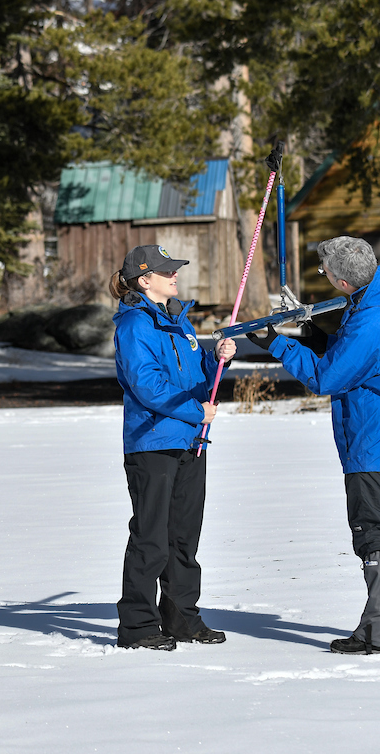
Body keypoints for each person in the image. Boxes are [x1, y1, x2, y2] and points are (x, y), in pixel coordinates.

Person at [247, 236, 380, 655]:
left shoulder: (372, 318)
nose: (323, 278)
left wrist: (277, 344)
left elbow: (328, 377)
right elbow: (355, 354)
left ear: (342, 281)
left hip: (379, 439)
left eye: (325, 274)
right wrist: (309, 331)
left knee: (376, 532)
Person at [111, 244, 237, 650]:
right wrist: (194, 410)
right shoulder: (134, 325)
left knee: (184, 537)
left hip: (189, 441)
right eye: (167, 271)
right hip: (152, 443)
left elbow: (200, 374)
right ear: (145, 279)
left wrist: (219, 358)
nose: (175, 275)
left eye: (175, 270)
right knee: (151, 538)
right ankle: (138, 626)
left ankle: (182, 617)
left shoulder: (179, 322)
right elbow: (147, 385)